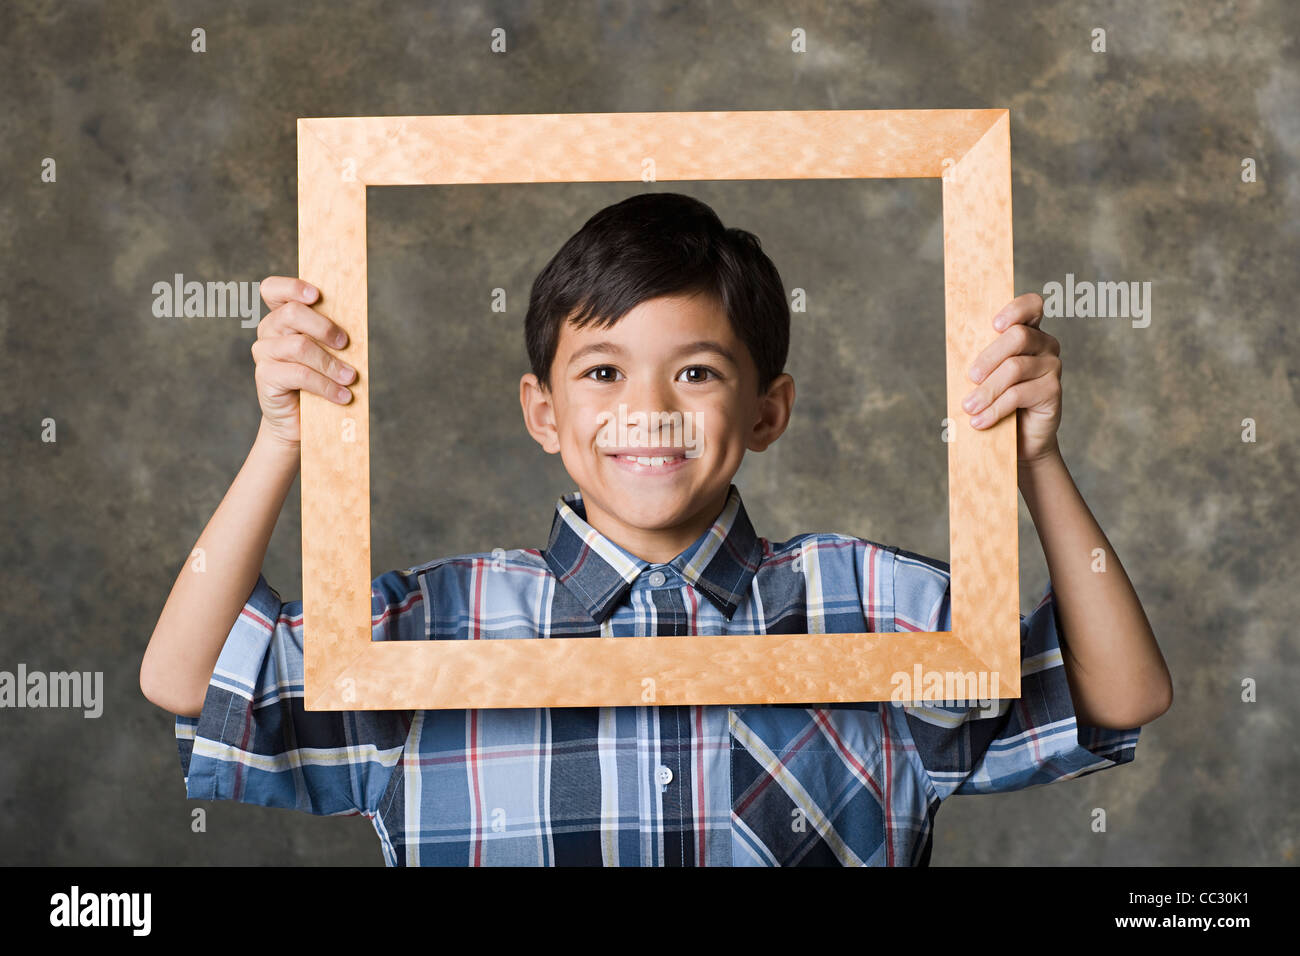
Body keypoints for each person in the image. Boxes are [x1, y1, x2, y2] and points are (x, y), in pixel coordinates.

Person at [139, 192, 1172, 866]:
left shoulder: (876, 605)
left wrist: (1031, 454)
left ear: (767, 409)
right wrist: (284, 437)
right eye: (601, 372)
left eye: (696, 371)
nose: (648, 408)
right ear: (543, 413)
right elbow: (184, 675)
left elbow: (1121, 690)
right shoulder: (425, 628)